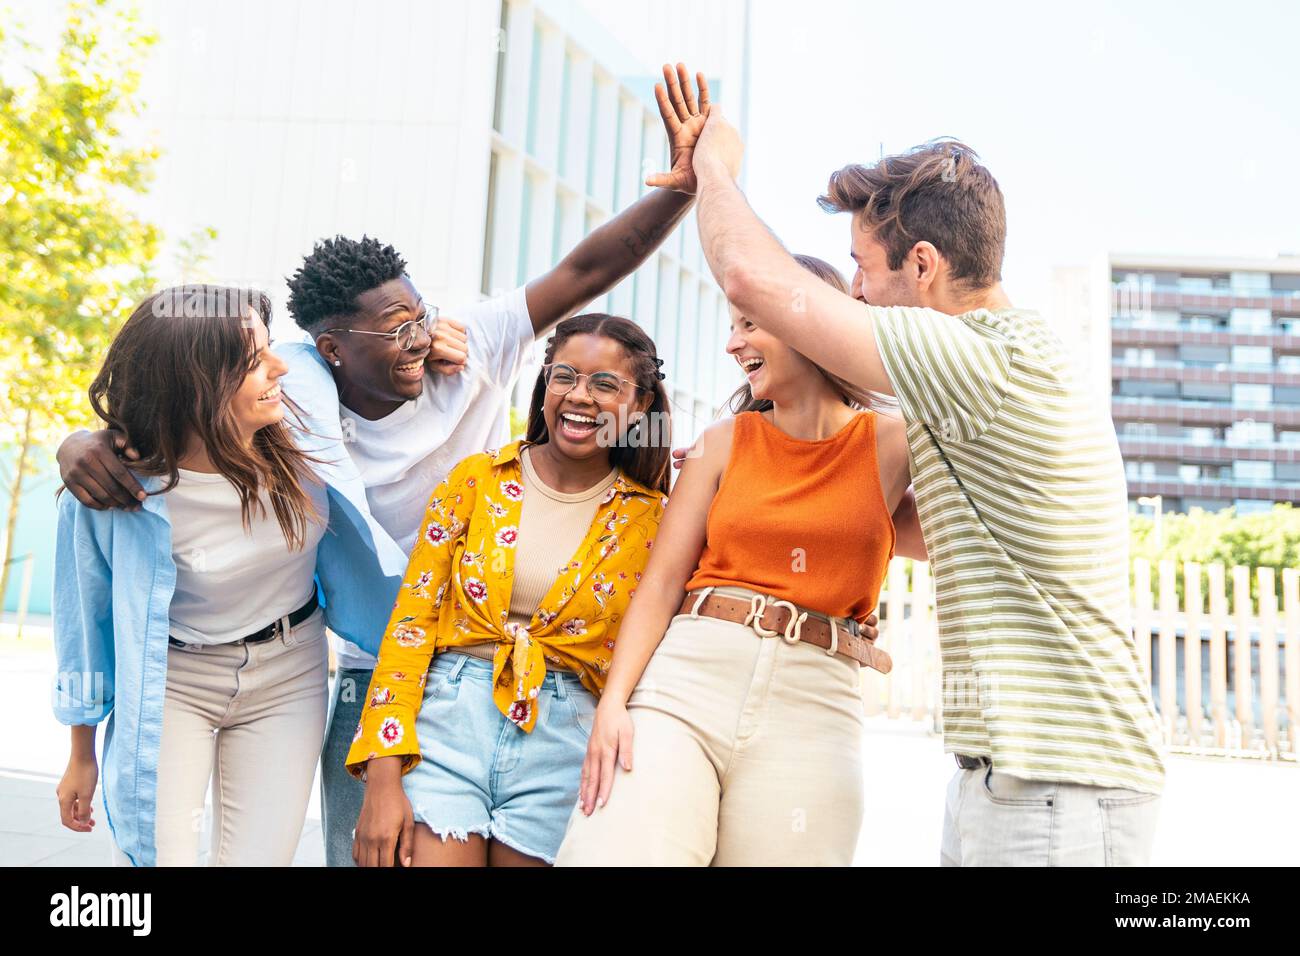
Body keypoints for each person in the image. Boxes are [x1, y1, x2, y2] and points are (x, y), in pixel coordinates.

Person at [53, 65, 716, 867]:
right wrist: (89, 440)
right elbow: (190, 392)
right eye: (396, 327)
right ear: (333, 349)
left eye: (420, 315)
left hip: (462, 664)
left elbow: (586, 271)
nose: (420, 336)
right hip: (374, 662)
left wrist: (684, 191)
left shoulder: (468, 349)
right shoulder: (295, 393)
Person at [683, 88, 1165, 865]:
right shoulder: (987, 377)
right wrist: (744, 483)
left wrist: (714, 165)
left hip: (1061, 786)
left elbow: (749, 277)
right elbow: (908, 526)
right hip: (1013, 780)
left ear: (923, 265)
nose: (855, 292)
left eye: (860, 268)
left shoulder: (983, 360)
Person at [554, 255, 925, 866]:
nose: (732, 344)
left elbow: (964, 534)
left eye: (750, 324)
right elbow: (661, 584)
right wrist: (614, 704)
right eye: (733, 326)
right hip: (687, 682)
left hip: (815, 704)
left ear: (807, 320)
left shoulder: (893, 443)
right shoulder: (722, 443)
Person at [348, 314, 670, 866]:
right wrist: (382, 774)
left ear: (639, 406)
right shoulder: (476, 480)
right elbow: (410, 626)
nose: (580, 396)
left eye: (605, 384)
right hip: (446, 726)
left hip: (567, 743)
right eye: (565, 376)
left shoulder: (654, 520)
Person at [52, 286, 331, 866]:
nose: (279, 366)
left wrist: (432, 337)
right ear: (194, 384)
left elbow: (384, 362)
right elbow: (84, 622)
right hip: (173, 678)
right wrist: (81, 751)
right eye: (253, 360)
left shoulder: (308, 426)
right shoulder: (111, 489)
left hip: (290, 670)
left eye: (271, 346)